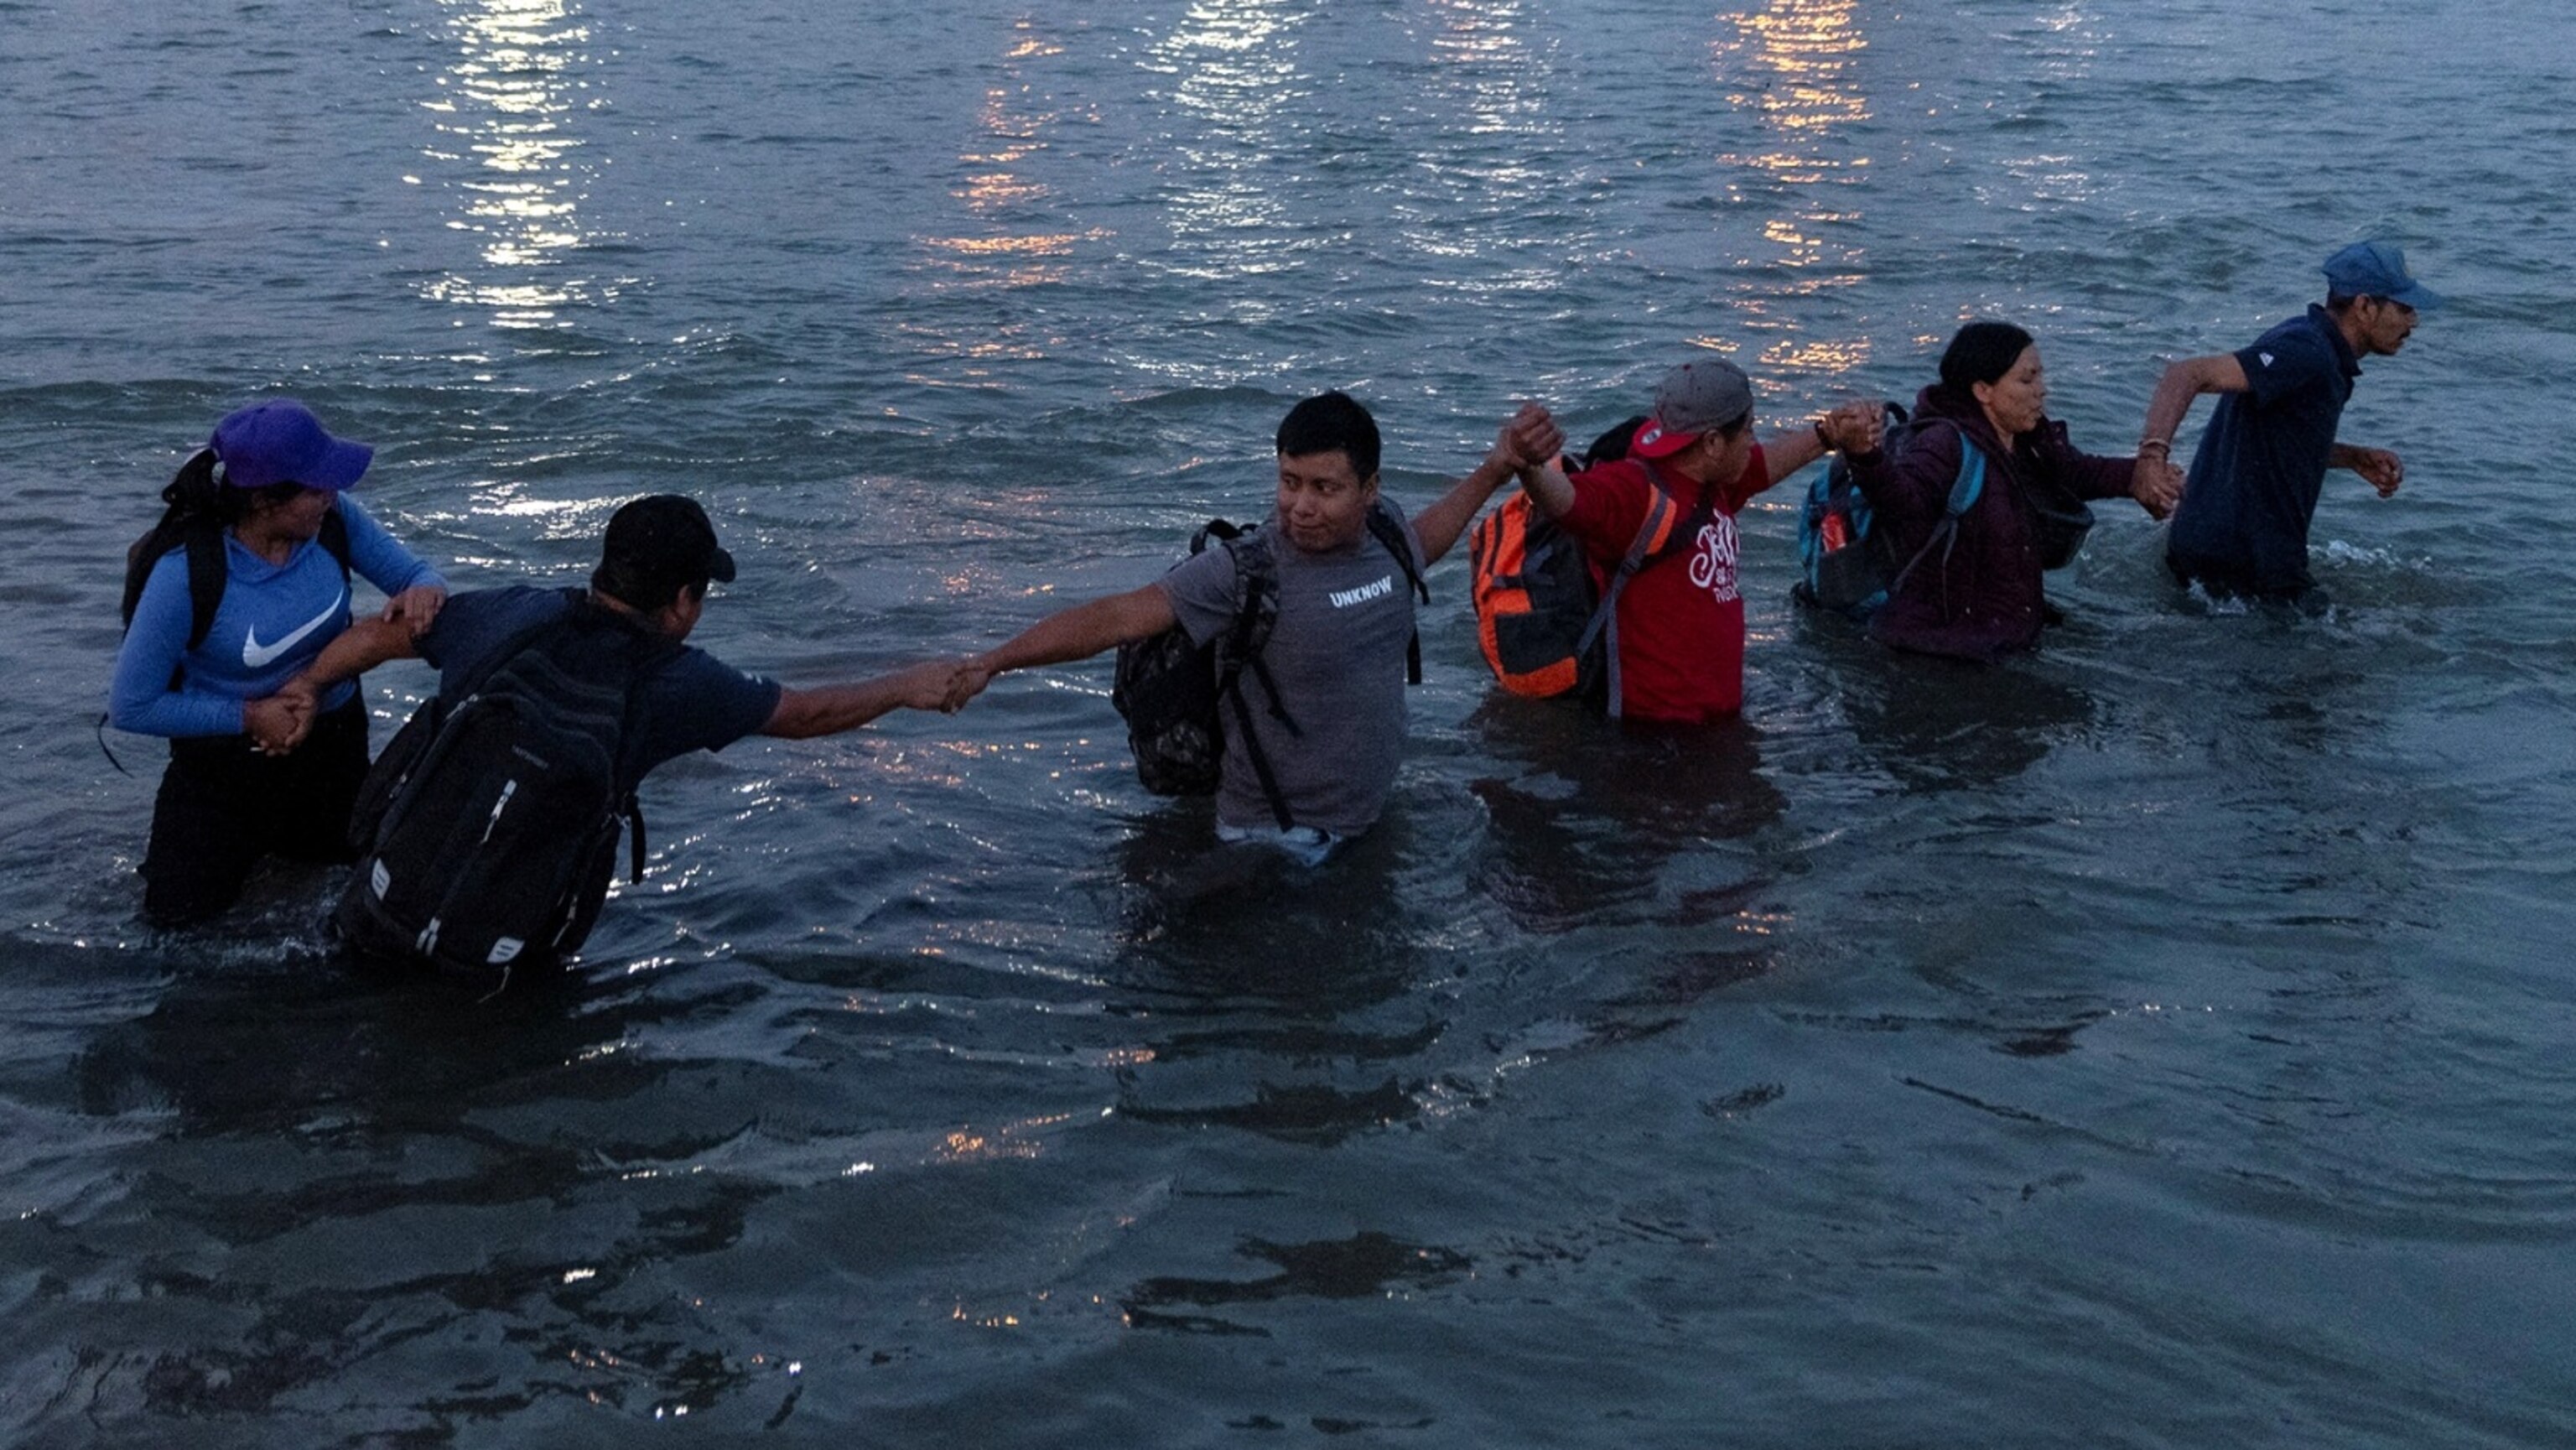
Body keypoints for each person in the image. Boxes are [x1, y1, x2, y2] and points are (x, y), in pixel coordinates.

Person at [943, 390, 1544, 864]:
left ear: (1370, 490)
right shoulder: (1245, 570)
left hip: (1371, 817)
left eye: (1324, 488)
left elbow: (1419, 545)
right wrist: (996, 660)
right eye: (1289, 482)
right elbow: (1117, 615)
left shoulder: (1384, 531)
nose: (1301, 506)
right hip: (1276, 841)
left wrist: (1497, 470)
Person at [272, 493, 960, 855]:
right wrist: (903, 685)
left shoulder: (513, 612)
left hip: (402, 868)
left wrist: (307, 684)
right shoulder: (682, 682)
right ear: (684, 601)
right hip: (515, 920)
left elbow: (378, 635)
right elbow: (807, 715)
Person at [109, 399, 449, 927]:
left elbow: (416, 574)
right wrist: (250, 715)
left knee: (347, 915)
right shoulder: (186, 574)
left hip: (332, 750)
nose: (331, 497)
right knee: (176, 934)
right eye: (316, 488)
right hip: (221, 769)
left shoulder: (334, 522)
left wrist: (427, 591)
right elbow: (132, 705)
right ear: (264, 501)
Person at [1508, 360, 1883, 723]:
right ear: (1713, 442)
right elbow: (1570, 503)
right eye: (1748, 429)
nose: (1753, 439)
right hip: (1660, 737)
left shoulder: (1715, 482)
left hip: (1713, 724)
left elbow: (1766, 465)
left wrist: (1829, 435)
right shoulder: (1636, 491)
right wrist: (1530, 467)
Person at [1838, 321, 2181, 661]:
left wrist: (2149, 476)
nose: (2041, 390)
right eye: (2026, 379)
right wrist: (1865, 457)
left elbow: (2078, 474)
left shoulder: (2022, 441)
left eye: (2040, 376)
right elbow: (1903, 501)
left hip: (1996, 642)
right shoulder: (1944, 443)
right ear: (1983, 390)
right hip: (1939, 655)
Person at [2146, 240, 2442, 600]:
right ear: (2365, 306)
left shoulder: (2311, 342)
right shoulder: (2307, 352)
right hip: (2244, 565)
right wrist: (2151, 460)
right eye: (2405, 308)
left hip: (2210, 550)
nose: (2414, 322)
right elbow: (2186, 374)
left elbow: (2278, 436)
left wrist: (2350, 457)